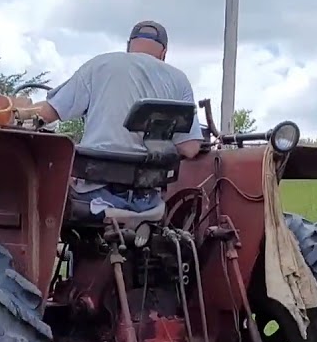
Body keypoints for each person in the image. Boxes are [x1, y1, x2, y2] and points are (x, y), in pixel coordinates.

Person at [36, 21, 204, 214]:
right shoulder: (179, 80)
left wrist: (15, 111)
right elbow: (191, 148)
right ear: (164, 53)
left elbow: (47, 113)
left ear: (128, 45)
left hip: (93, 197)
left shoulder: (99, 65)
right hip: (148, 202)